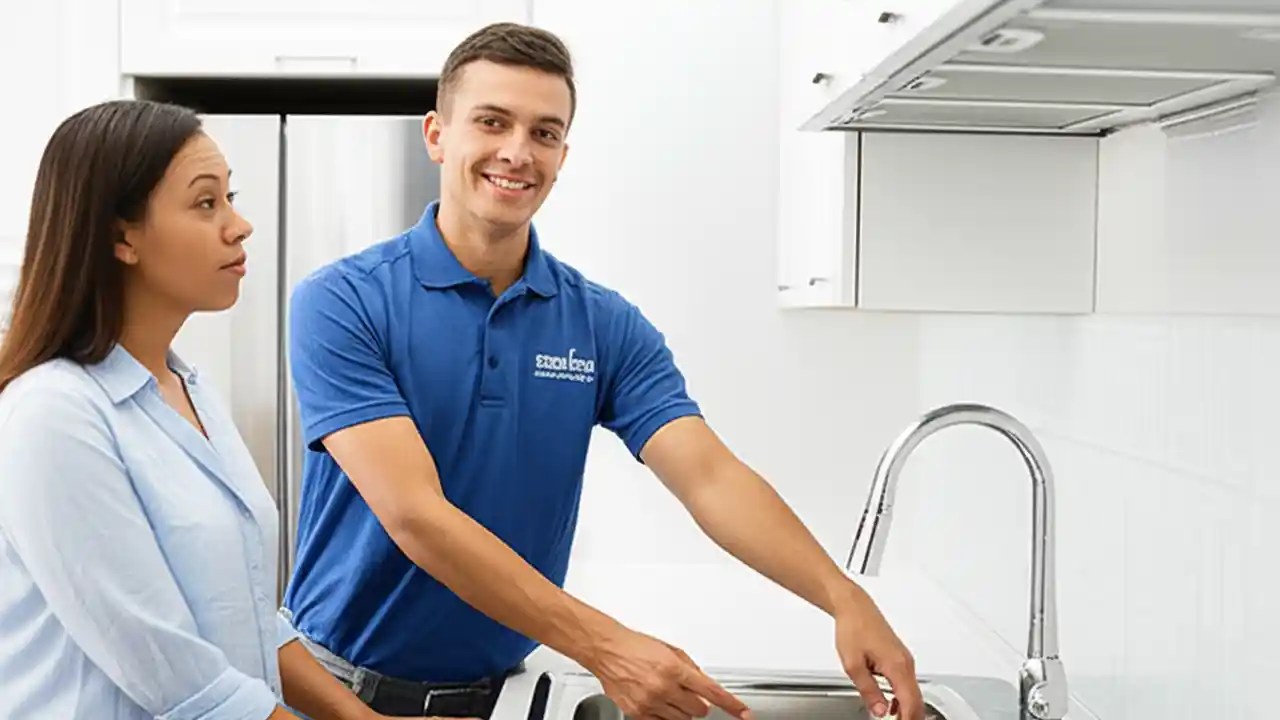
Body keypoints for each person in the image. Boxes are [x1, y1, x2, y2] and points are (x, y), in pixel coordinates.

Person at [281, 22, 924, 720]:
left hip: (501, 698)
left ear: (563, 153)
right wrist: (605, 646)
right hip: (334, 694)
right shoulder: (343, 300)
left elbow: (709, 476)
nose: (517, 153)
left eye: (545, 132)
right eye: (492, 122)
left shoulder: (599, 323)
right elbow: (417, 516)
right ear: (436, 134)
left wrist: (841, 595)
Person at [0, 99, 440, 720]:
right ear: (120, 235)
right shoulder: (54, 416)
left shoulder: (190, 389)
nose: (239, 225)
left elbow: (251, 619)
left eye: (229, 198)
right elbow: (180, 680)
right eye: (207, 204)